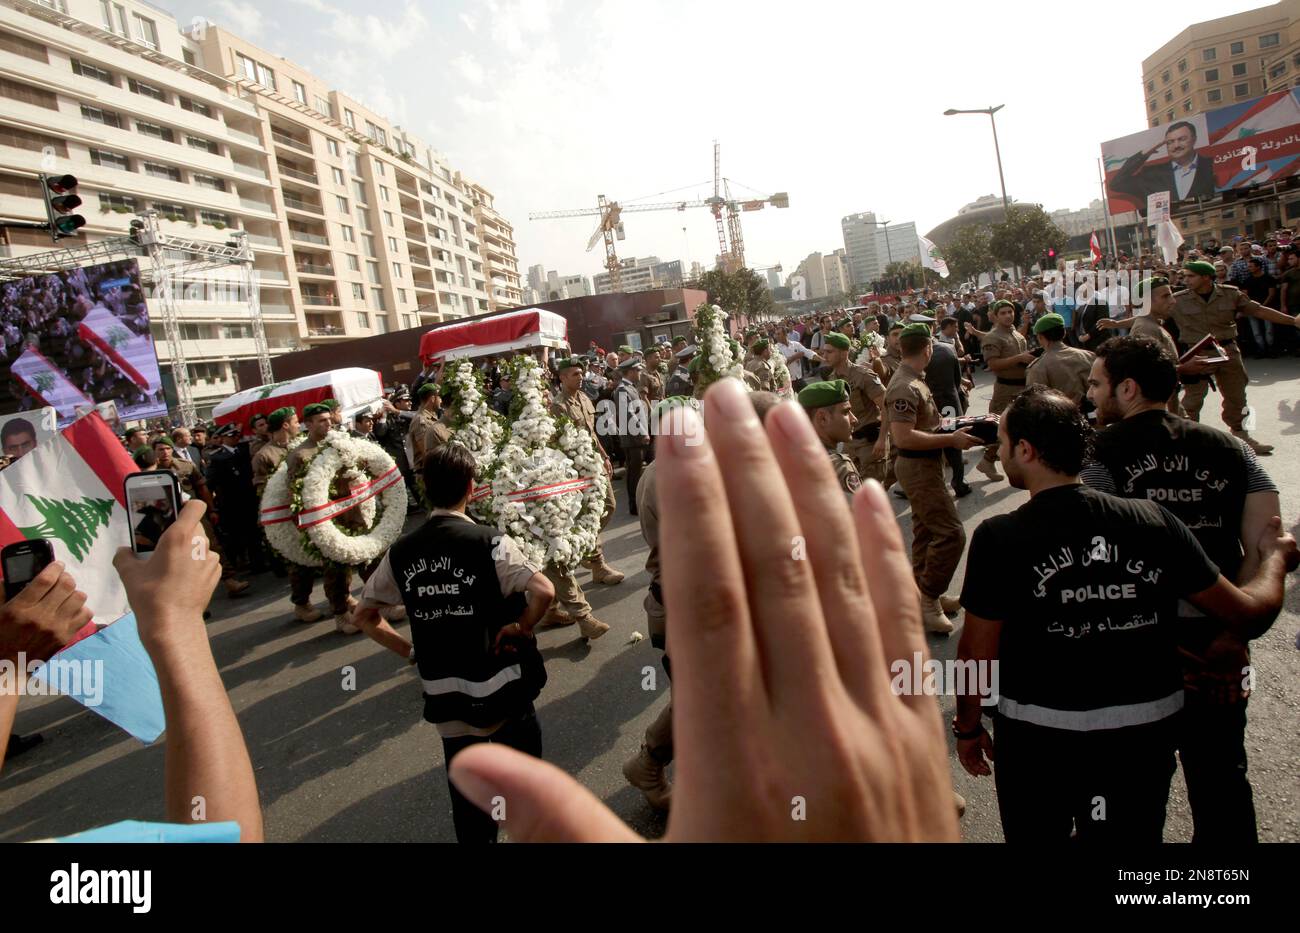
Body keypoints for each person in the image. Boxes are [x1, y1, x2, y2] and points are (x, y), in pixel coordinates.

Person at [445, 379, 961, 842]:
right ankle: (663, 766)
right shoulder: (696, 482)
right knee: (724, 699)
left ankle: (674, 766)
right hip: (685, 608)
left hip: (692, 605)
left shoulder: (702, 476)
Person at [955, 386, 1296, 843]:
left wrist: (969, 726)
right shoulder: (1151, 520)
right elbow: (1248, 614)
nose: (998, 452)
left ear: (1024, 449)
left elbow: (977, 651)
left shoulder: (1001, 536)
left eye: (1000, 441)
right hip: (1142, 737)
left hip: (1039, 738)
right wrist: (1274, 558)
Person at [1083, 335, 1283, 843]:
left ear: (1126, 389)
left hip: (1137, 652)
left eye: (1096, 384)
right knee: (1223, 781)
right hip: (1221, 645)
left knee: (1128, 796)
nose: (1090, 396)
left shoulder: (1098, 455)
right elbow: (1268, 543)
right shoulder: (1232, 448)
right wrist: (1232, 638)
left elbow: (1093, 564)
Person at [352, 445, 555, 843]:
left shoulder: (401, 553)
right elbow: (545, 591)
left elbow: (364, 615)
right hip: (505, 689)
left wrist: (409, 652)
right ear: (470, 486)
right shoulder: (489, 542)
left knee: (471, 805)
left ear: (425, 491)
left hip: (448, 697)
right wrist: (522, 626)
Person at [885, 323, 981, 634]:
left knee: (926, 533)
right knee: (952, 534)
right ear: (927, 349)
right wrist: (950, 441)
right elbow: (903, 437)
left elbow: (925, 424)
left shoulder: (913, 380)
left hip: (926, 466)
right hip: (917, 467)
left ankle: (924, 594)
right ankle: (927, 599)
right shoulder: (905, 386)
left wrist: (956, 426)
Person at [1172, 259, 1299, 454]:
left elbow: (1258, 310)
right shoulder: (1178, 299)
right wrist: (1115, 324)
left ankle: (1242, 436)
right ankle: (1185, 443)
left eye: (1191, 276)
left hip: (1227, 351)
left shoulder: (1230, 294)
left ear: (1206, 277)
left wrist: (1292, 321)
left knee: (1237, 396)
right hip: (1196, 354)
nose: (1185, 280)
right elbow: (1151, 316)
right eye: (1185, 276)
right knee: (1192, 400)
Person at [283, 403, 362, 634]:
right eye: (321, 421)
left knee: (357, 560)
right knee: (334, 567)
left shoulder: (336, 444)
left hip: (349, 511)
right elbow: (295, 493)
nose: (328, 424)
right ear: (308, 425)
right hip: (325, 518)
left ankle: (359, 600)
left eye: (329, 419)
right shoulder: (300, 454)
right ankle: (340, 614)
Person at [551, 357, 624, 587]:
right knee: (590, 513)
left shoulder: (583, 397)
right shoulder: (558, 406)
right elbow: (558, 444)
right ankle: (598, 565)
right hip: (576, 469)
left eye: (581, 374)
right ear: (562, 378)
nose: (581, 377)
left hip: (594, 461)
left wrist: (604, 456)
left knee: (608, 506)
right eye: (575, 374)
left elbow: (591, 433)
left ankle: (582, 544)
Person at [153, 437, 249, 600]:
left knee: (211, 546)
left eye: (167, 448)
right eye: (160, 449)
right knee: (180, 556)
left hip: (194, 514)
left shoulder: (185, 465)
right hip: (170, 520)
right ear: (154, 452)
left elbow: (201, 487)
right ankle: (192, 593)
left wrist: (211, 510)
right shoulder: (151, 472)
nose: (164, 453)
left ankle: (229, 580)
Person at [822, 332, 888, 485]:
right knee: (852, 493)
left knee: (872, 495)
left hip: (870, 443)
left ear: (844, 353)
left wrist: (883, 439)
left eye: (829, 352)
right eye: (824, 352)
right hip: (849, 444)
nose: (825, 356)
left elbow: (887, 407)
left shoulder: (863, 375)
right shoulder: (833, 379)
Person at [977, 299, 1032, 482]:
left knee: (1020, 428)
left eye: (1010, 311)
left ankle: (995, 461)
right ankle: (988, 459)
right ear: (995, 316)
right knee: (1000, 428)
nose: (1008, 315)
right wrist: (1019, 358)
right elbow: (993, 365)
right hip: (1005, 389)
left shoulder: (1013, 331)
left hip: (1022, 386)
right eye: (1003, 313)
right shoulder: (992, 337)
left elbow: (1019, 343)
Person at [1108, 120, 1216, 208]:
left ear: (1194, 139)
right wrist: (1145, 152)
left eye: (1182, 139)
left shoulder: (1214, 165)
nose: (1176, 145)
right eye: (1170, 142)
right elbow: (1116, 184)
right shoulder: (1151, 175)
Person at [922, 326, 973, 497]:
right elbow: (957, 380)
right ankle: (959, 482)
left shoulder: (918, 356)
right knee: (953, 444)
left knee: (930, 443)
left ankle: (934, 485)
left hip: (930, 406)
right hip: (949, 402)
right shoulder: (948, 349)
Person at [205, 423, 261, 575]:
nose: (236, 437)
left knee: (254, 532)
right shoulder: (217, 457)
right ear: (223, 438)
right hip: (231, 503)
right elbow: (209, 483)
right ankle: (233, 566)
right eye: (232, 435)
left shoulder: (244, 450)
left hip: (250, 498)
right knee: (236, 536)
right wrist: (212, 507)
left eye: (237, 434)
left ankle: (258, 563)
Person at [797, 380, 861, 503]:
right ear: (823, 418)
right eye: (846, 412)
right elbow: (860, 518)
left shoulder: (791, 454)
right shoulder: (838, 466)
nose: (854, 419)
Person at [1024, 313, 1094, 406]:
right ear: (1064, 333)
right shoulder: (1089, 355)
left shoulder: (1038, 367)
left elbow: (1035, 405)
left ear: (1040, 337)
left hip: (1063, 418)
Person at [613, 357, 650, 515]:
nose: (640, 373)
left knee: (638, 470)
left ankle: (639, 502)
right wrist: (642, 432)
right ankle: (634, 506)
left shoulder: (631, 387)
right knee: (634, 473)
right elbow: (627, 414)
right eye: (638, 370)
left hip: (636, 435)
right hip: (632, 437)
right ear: (630, 372)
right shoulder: (622, 389)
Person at [411, 382, 451, 474]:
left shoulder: (432, 416)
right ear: (432, 399)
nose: (441, 400)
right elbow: (426, 452)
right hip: (428, 472)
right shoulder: (421, 420)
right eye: (439, 397)